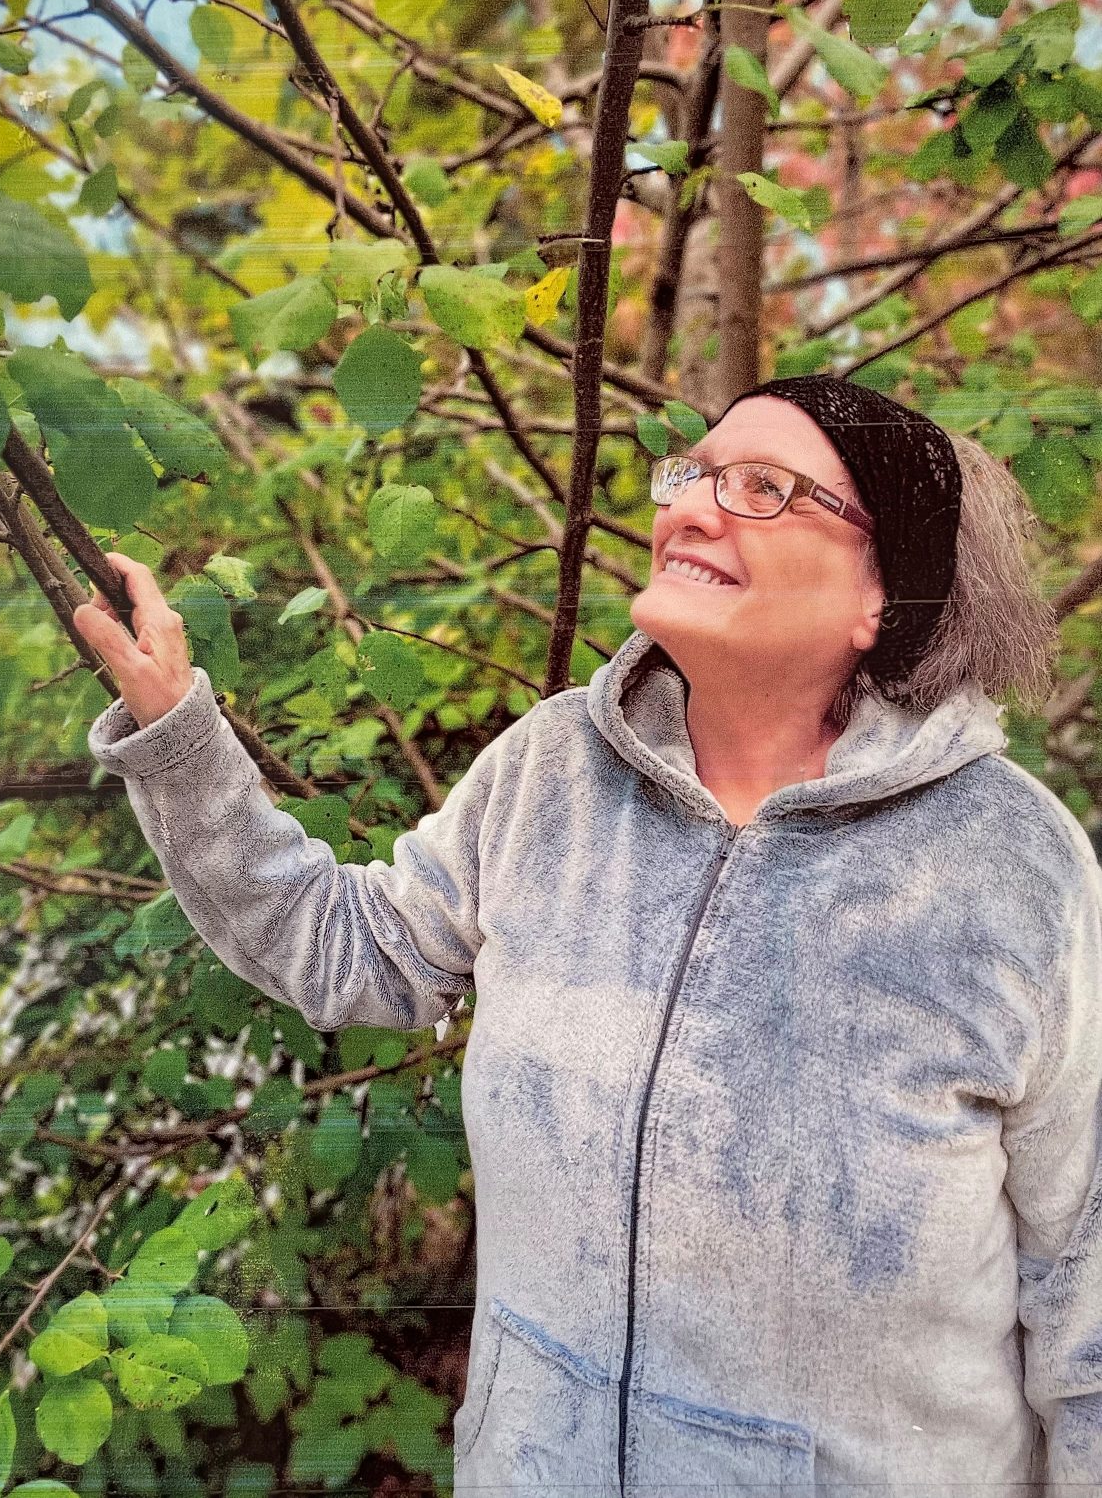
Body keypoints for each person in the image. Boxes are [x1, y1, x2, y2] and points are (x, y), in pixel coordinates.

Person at [75, 374, 1102, 1497]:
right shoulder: (552, 768)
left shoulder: (1010, 865)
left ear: (883, 596)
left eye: (765, 487)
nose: (694, 506)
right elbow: (348, 949)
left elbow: (1083, 1284)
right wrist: (179, 734)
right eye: (693, 474)